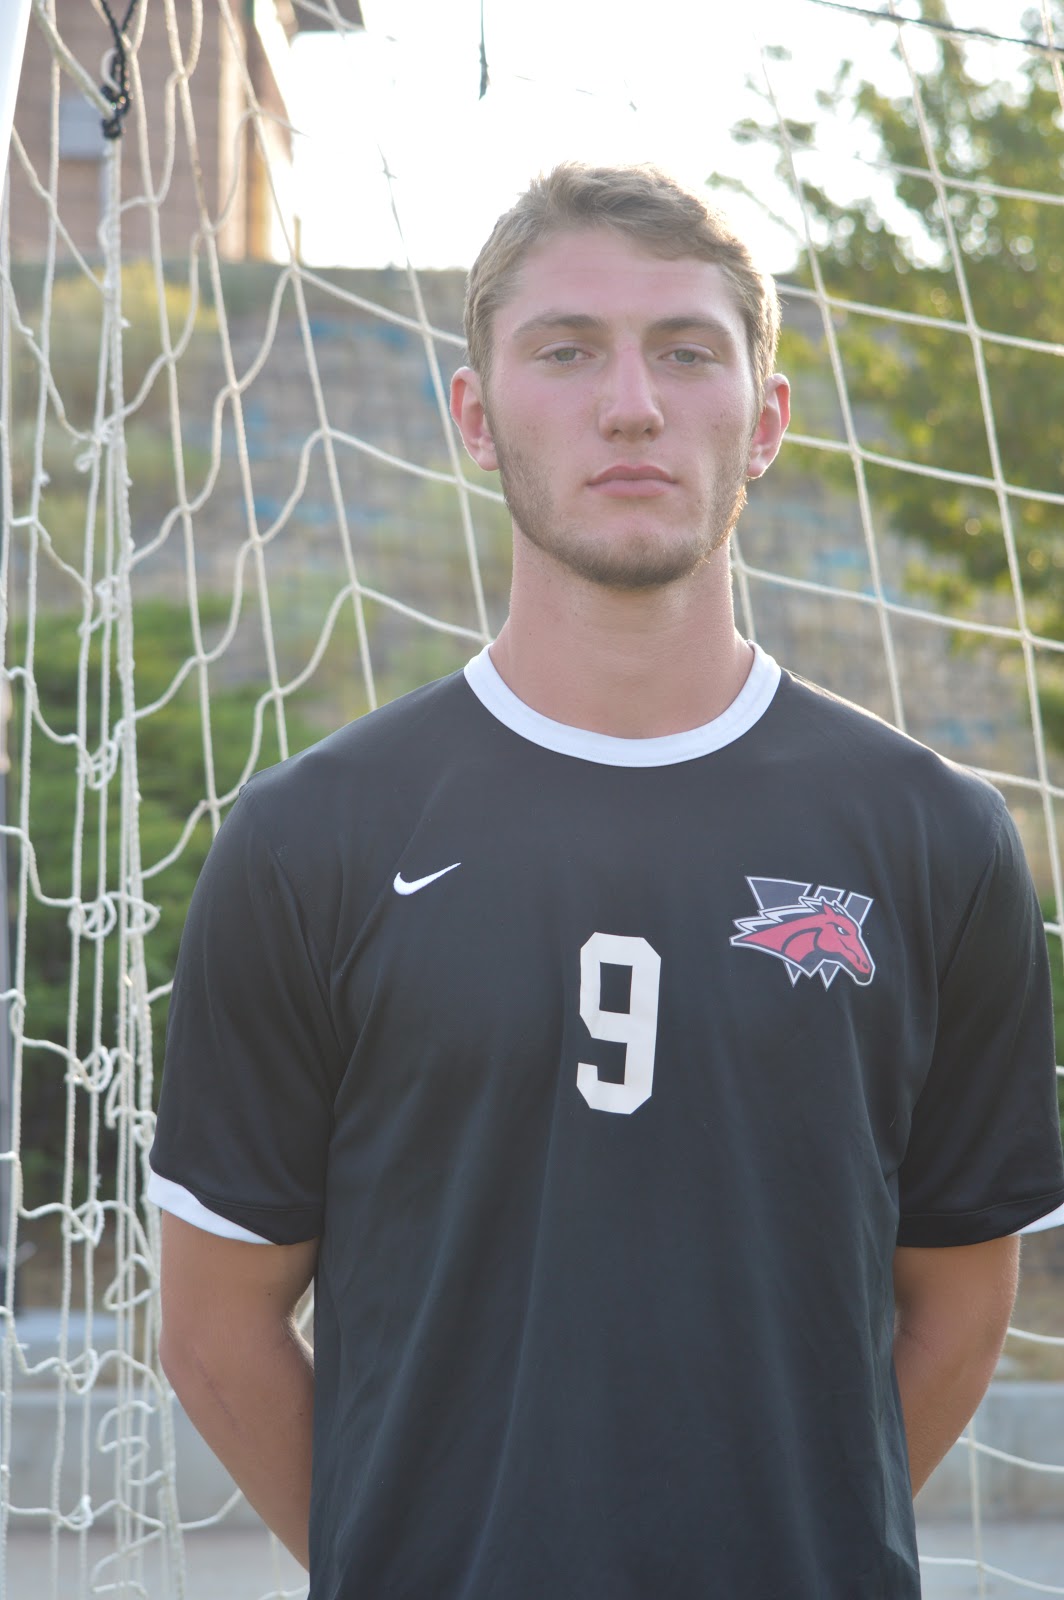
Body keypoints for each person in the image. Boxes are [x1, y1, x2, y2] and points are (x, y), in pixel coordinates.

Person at [149, 163, 1064, 1598]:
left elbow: (959, 1299)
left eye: (686, 351)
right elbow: (214, 1329)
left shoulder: (934, 837)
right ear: (474, 418)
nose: (630, 402)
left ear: (762, 423)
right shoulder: (310, 840)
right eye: (567, 350)